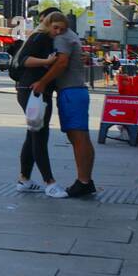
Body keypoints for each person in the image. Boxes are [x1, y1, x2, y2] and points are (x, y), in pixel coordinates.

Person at [30, 12, 97, 198]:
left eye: (59, 27)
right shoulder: (72, 35)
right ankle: (85, 180)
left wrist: (42, 82)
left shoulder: (62, 38)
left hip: (70, 91)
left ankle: (83, 182)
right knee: (81, 137)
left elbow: (61, 63)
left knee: (78, 137)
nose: (56, 30)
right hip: (77, 91)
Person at [11, 9, 66, 199]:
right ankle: (49, 183)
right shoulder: (40, 38)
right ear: (48, 24)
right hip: (33, 90)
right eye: (56, 27)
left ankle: (24, 179)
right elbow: (25, 60)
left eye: (62, 29)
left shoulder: (44, 38)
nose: (58, 31)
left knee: (33, 134)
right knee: (40, 135)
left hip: (33, 90)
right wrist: (48, 60)